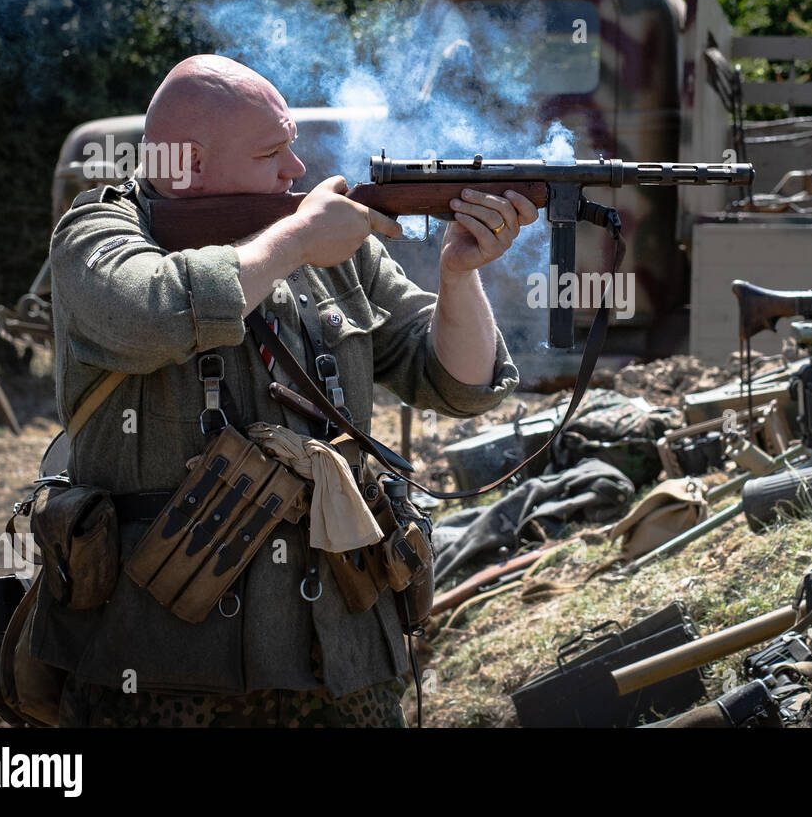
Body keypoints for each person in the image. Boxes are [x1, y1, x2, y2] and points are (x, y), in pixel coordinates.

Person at [37, 54, 536, 726]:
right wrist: (296, 240)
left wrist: (460, 272)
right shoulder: (98, 235)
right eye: (272, 151)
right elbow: (151, 313)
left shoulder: (330, 245)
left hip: (344, 659)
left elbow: (458, 384)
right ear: (191, 165)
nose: (296, 170)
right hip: (162, 671)